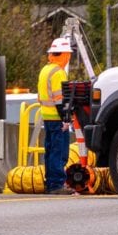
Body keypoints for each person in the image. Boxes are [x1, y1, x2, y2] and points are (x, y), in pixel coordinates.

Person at [38, 37, 74, 195]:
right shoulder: (58, 73)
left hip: (47, 117)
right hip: (57, 118)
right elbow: (60, 100)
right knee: (59, 152)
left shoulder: (45, 70)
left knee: (50, 150)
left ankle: (50, 183)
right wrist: (66, 119)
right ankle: (57, 185)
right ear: (65, 55)